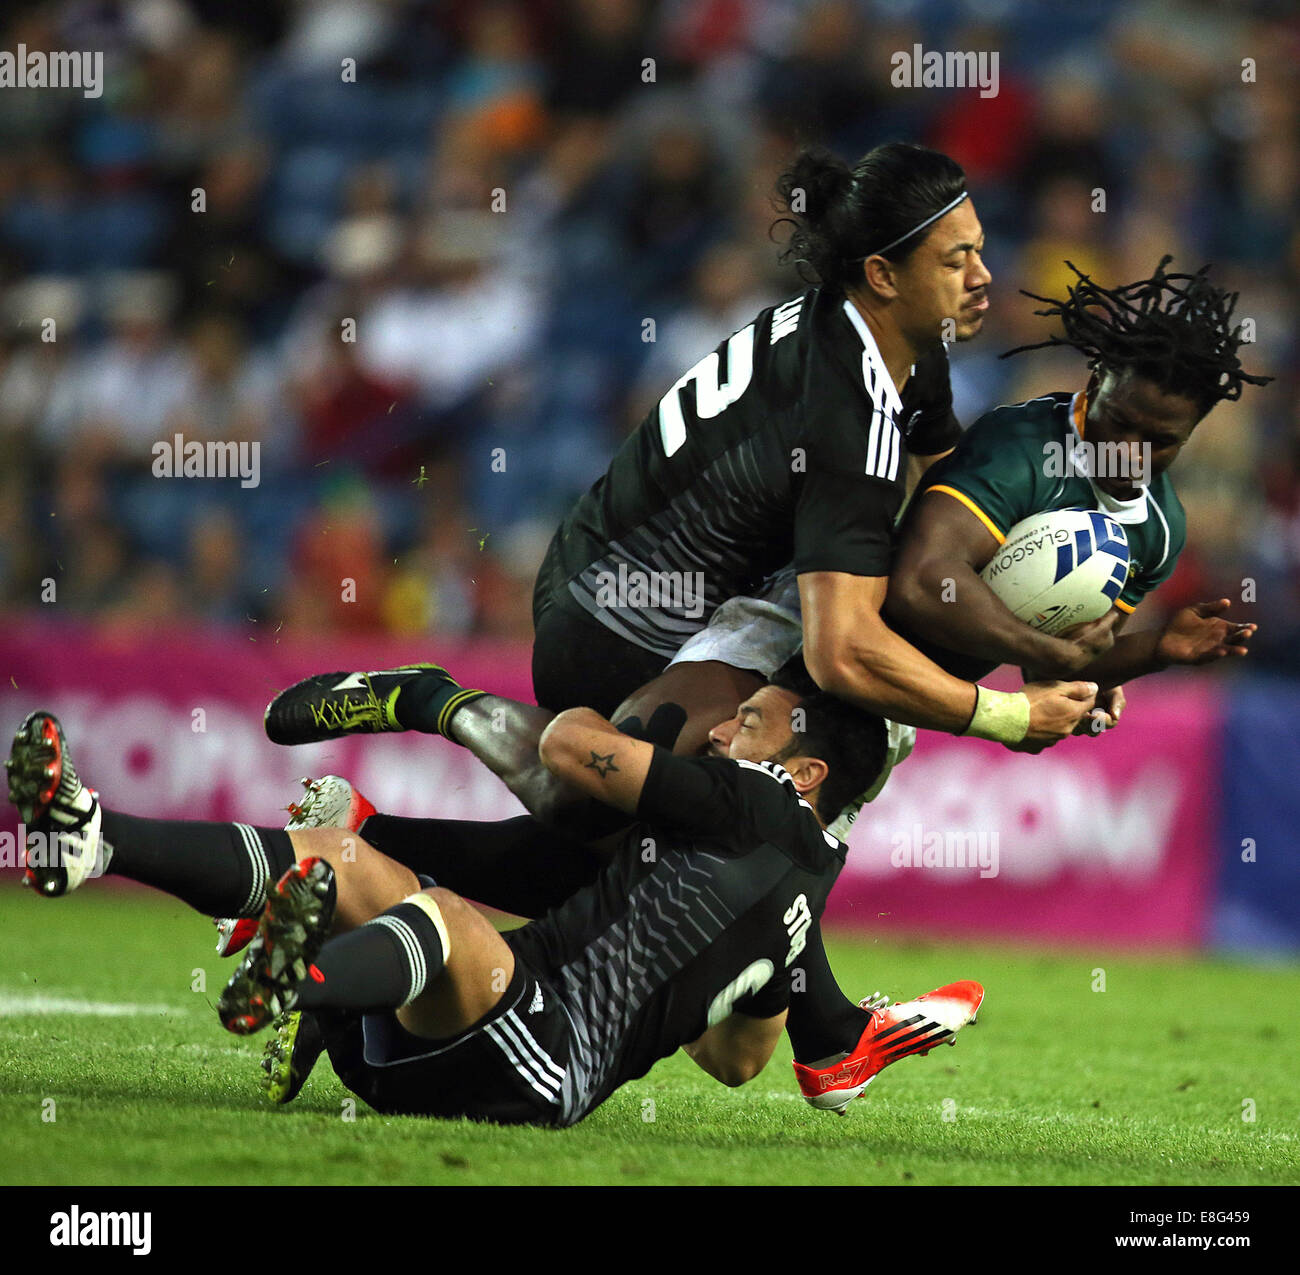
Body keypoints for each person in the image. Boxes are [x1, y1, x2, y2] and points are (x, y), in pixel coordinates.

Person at [6, 685, 983, 1127]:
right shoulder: (802, 895)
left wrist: (435, 702)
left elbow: (566, 753)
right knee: (345, 860)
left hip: (539, 1057)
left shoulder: (752, 800)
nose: (725, 725)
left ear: (800, 771)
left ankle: (303, 981)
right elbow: (755, 1063)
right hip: (474, 1042)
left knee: (440, 922)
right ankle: (92, 837)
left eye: (754, 719)